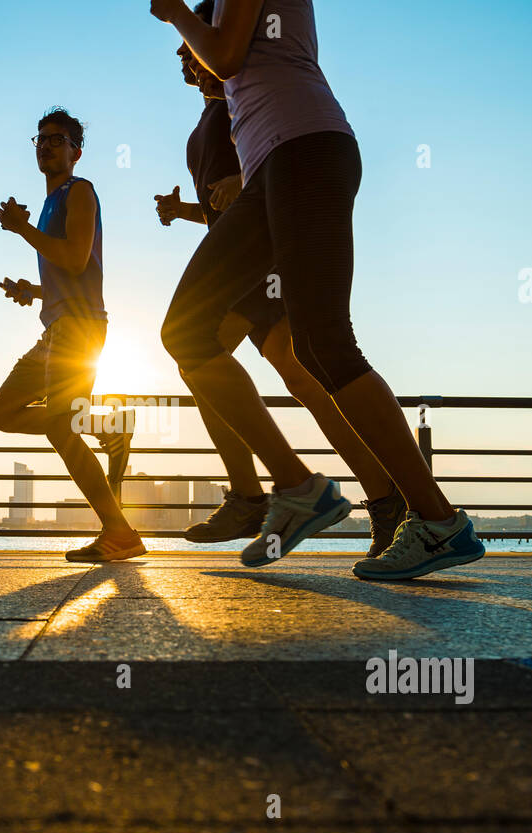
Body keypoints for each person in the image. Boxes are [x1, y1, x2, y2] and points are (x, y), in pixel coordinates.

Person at [149, 0, 484, 578]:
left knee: (324, 343)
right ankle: (299, 486)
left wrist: (176, 12)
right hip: (277, 167)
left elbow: (225, 56)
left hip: (304, 150)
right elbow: (228, 64)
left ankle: (434, 520)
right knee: (193, 333)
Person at [0, 108, 145, 562]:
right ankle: (104, 426)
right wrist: (34, 290)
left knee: (60, 425)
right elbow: (69, 273)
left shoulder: (80, 191)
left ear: (77, 151)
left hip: (79, 330)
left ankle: (119, 532)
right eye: (40, 139)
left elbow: (76, 260)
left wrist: (23, 231)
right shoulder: (49, 202)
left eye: (58, 140)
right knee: (2, 413)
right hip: (55, 329)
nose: (46, 145)